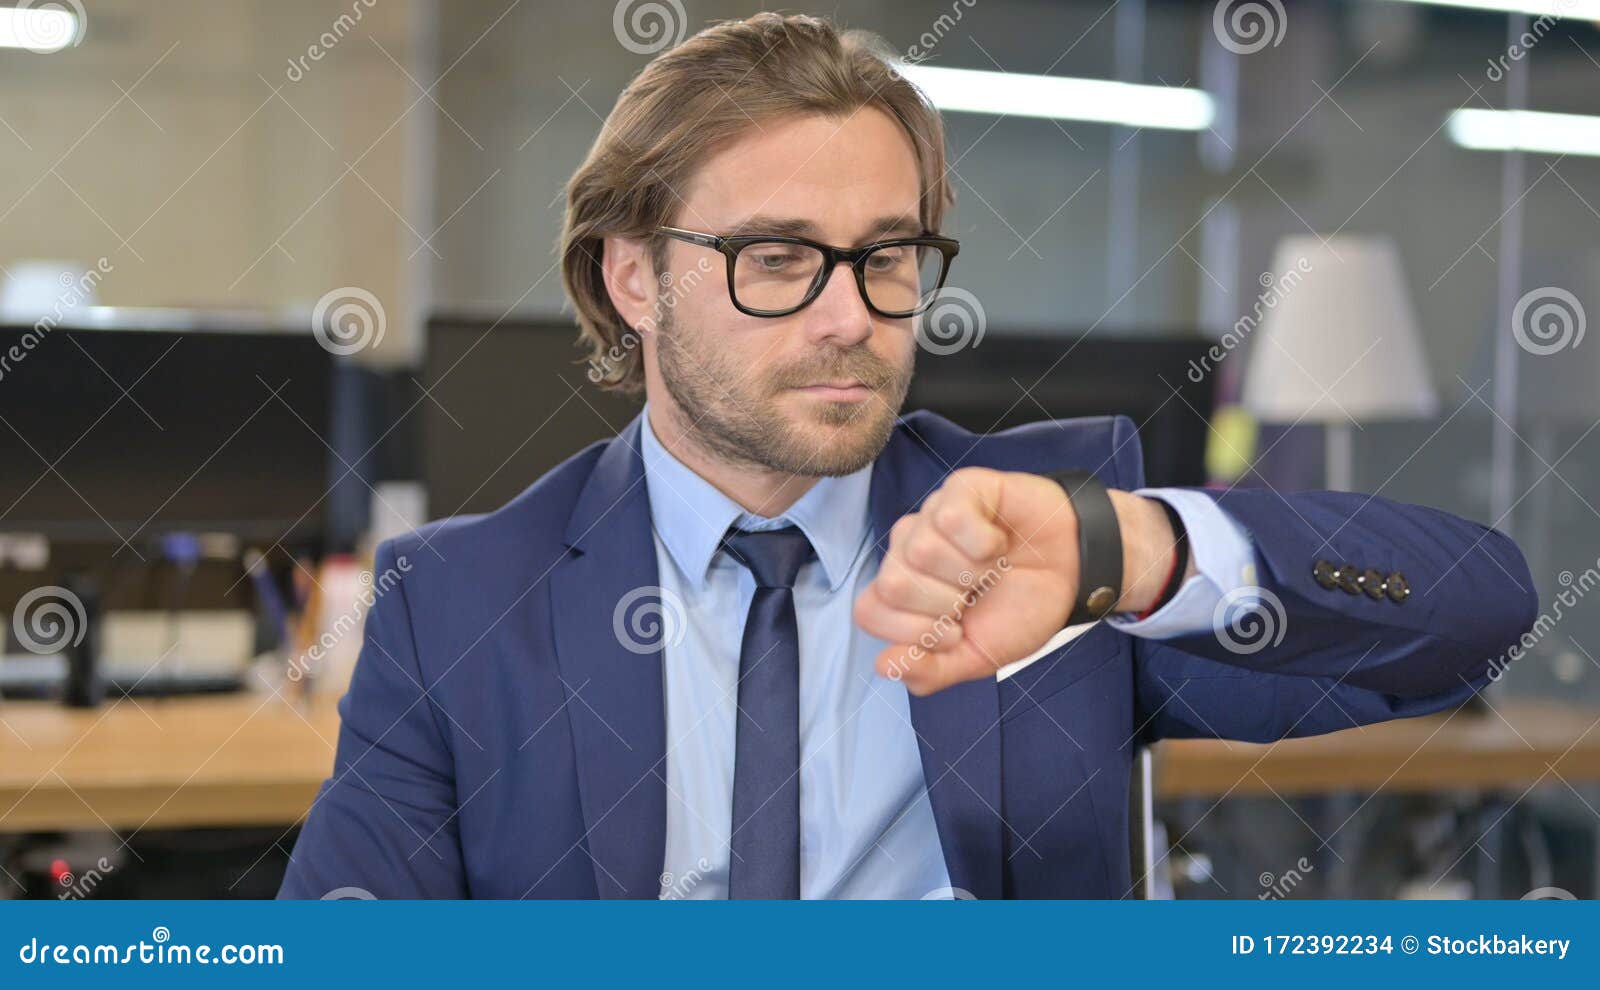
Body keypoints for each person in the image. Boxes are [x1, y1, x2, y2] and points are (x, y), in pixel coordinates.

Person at [279, 12, 1536, 900]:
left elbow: (1476, 616)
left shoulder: (1032, 545)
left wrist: (1132, 550)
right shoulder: (455, 602)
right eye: (775, 259)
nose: (849, 316)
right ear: (633, 278)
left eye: (885, 258)